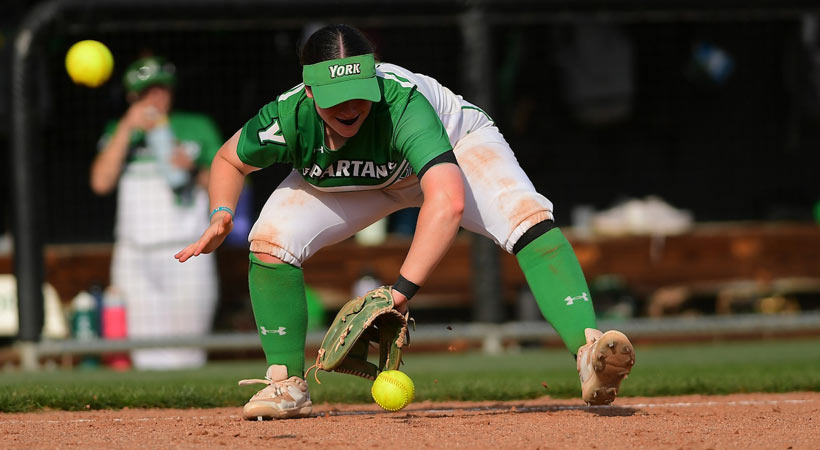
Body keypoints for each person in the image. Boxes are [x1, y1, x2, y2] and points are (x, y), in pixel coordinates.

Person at [175, 24, 636, 419]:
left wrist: (399, 293)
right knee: (269, 241)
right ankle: (285, 383)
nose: (350, 106)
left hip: (454, 151)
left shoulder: (400, 103)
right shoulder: (287, 117)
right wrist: (221, 213)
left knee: (526, 217)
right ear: (309, 91)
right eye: (335, 97)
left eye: (359, 92)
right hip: (354, 180)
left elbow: (447, 201)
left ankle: (589, 350)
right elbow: (229, 160)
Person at [91, 56, 222, 370]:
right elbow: (100, 182)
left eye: (162, 89)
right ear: (132, 97)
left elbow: (231, 183)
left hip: (187, 247)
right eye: (146, 92)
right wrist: (127, 127)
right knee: (141, 348)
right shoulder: (118, 130)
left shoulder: (196, 126)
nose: (155, 98)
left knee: (189, 349)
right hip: (133, 251)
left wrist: (194, 170)